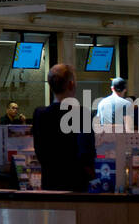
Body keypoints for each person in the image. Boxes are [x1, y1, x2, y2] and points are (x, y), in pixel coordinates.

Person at [32, 63, 96, 192]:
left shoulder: (40, 114)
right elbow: (87, 154)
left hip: (50, 184)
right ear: (71, 84)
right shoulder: (82, 114)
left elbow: (40, 152)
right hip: (76, 185)